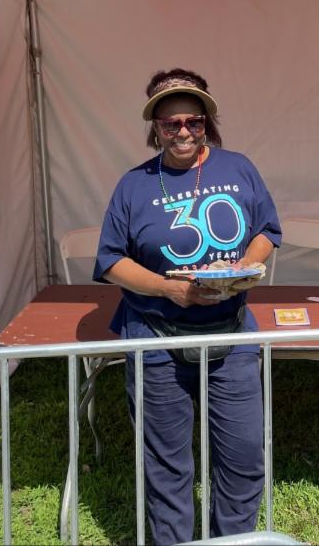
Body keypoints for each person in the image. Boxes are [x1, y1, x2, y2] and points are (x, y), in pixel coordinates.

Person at [94, 68, 281, 544]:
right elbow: (111, 261)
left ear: (207, 122)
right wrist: (166, 288)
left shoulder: (238, 167)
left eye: (193, 122)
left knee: (242, 459)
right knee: (166, 468)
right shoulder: (133, 185)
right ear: (154, 127)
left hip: (231, 330)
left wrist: (242, 268)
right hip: (156, 335)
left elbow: (266, 232)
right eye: (170, 123)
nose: (182, 132)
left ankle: (231, 541)